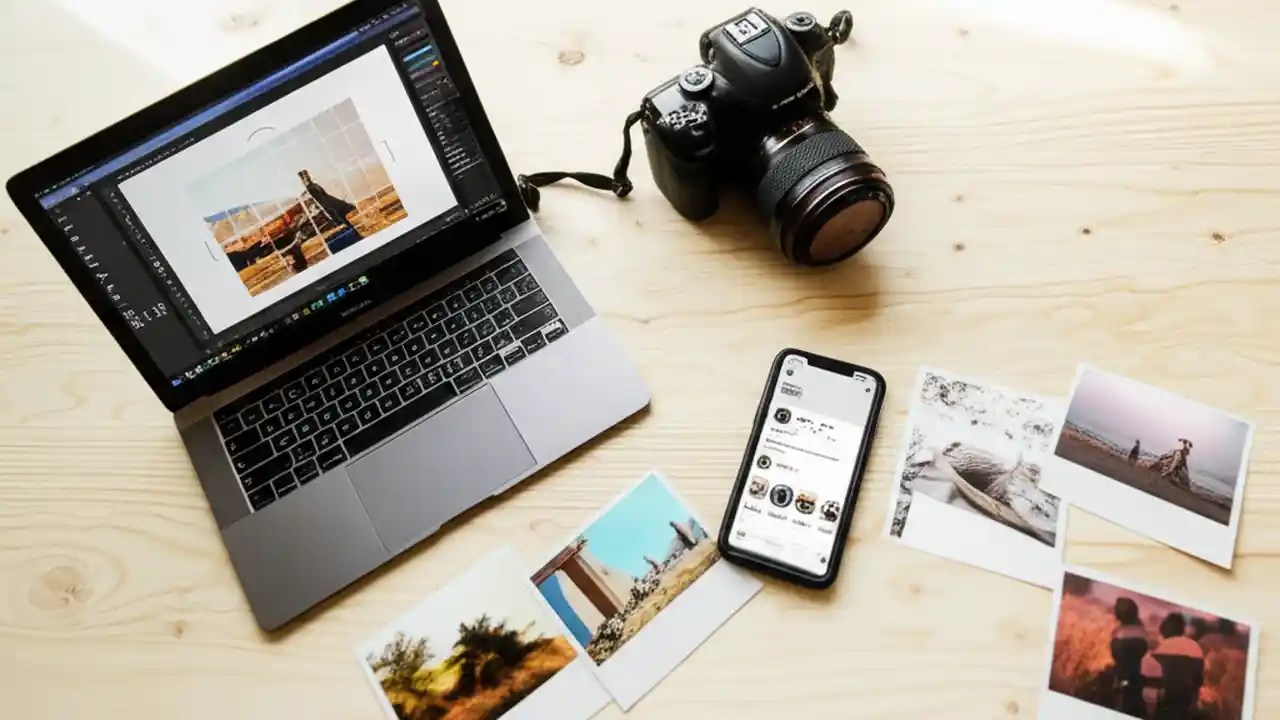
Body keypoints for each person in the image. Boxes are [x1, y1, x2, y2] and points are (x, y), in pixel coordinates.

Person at [1151, 613, 1204, 720]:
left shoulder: (1160, 648)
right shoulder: (1195, 647)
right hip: (1186, 704)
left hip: (1164, 704)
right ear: (1182, 629)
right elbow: (1198, 680)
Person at [1110, 597, 1150, 717]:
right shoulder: (1142, 631)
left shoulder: (1118, 632)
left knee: (1121, 701)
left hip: (1122, 675)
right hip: (1136, 675)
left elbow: (1115, 653)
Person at [297, 169, 361, 237]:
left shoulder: (312, 187)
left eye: (305, 177)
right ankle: (354, 232)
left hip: (330, 205)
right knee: (344, 219)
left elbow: (322, 198)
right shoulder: (312, 186)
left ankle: (354, 232)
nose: (305, 179)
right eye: (304, 177)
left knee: (343, 219)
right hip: (331, 204)